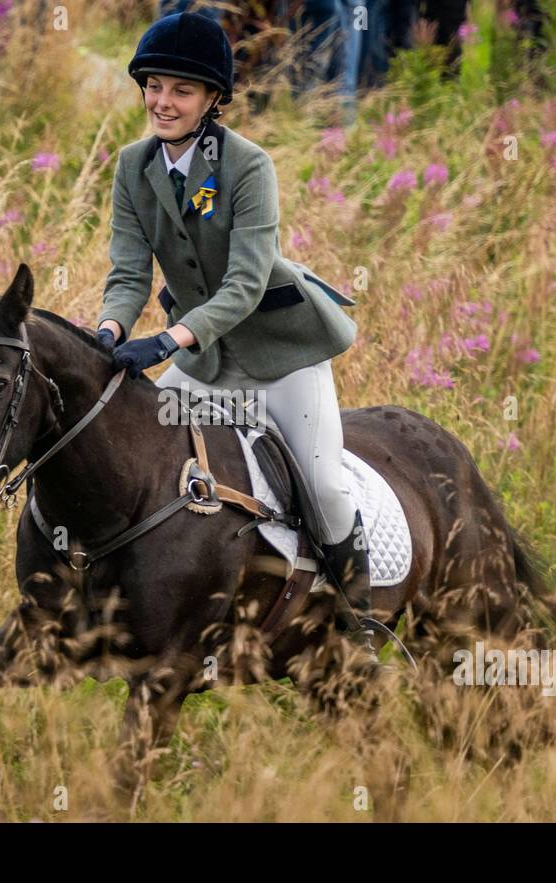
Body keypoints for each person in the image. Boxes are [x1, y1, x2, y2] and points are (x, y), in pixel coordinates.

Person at [94, 11, 381, 659]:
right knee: (142, 452)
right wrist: (109, 330)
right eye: (155, 86)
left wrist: (168, 342)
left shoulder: (249, 167)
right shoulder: (131, 168)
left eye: (182, 90)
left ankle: (359, 621)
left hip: (281, 352)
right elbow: (128, 272)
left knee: (325, 486)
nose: (163, 102)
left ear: (212, 100)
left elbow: (245, 285)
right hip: (207, 354)